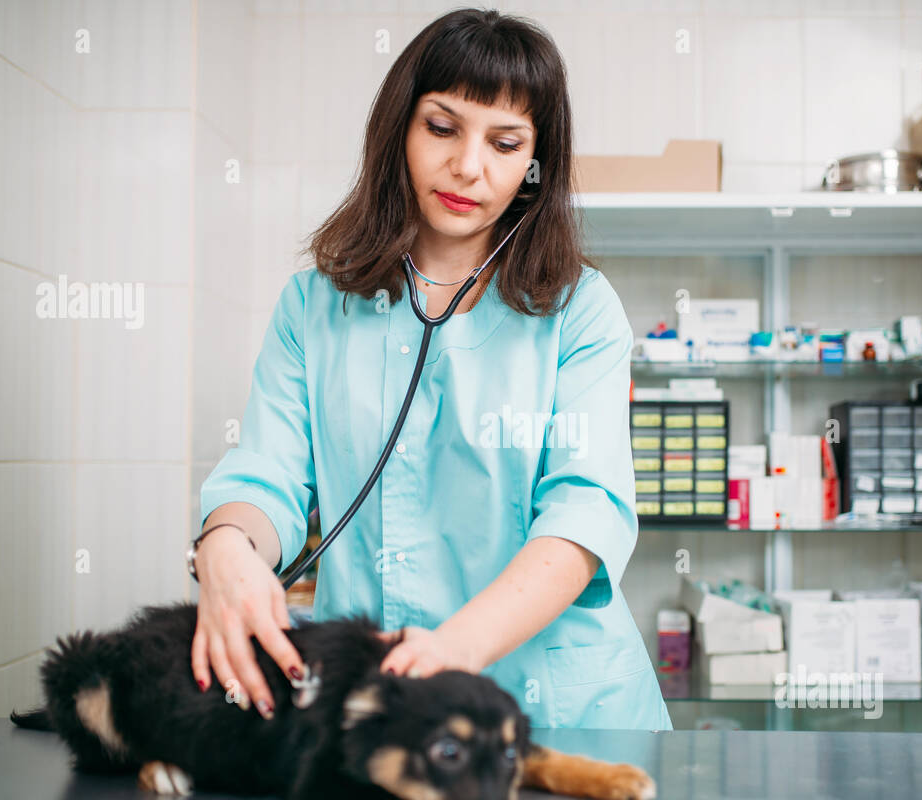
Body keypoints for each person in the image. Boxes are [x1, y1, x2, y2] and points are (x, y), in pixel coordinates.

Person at [189, 8, 671, 731]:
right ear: (399, 131)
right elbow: (268, 476)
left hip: (562, 713)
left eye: (505, 143)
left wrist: (455, 648)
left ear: (536, 163)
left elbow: (584, 513)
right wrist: (226, 545)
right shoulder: (314, 306)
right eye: (441, 127)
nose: (468, 167)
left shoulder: (582, 311)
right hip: (386, 705)